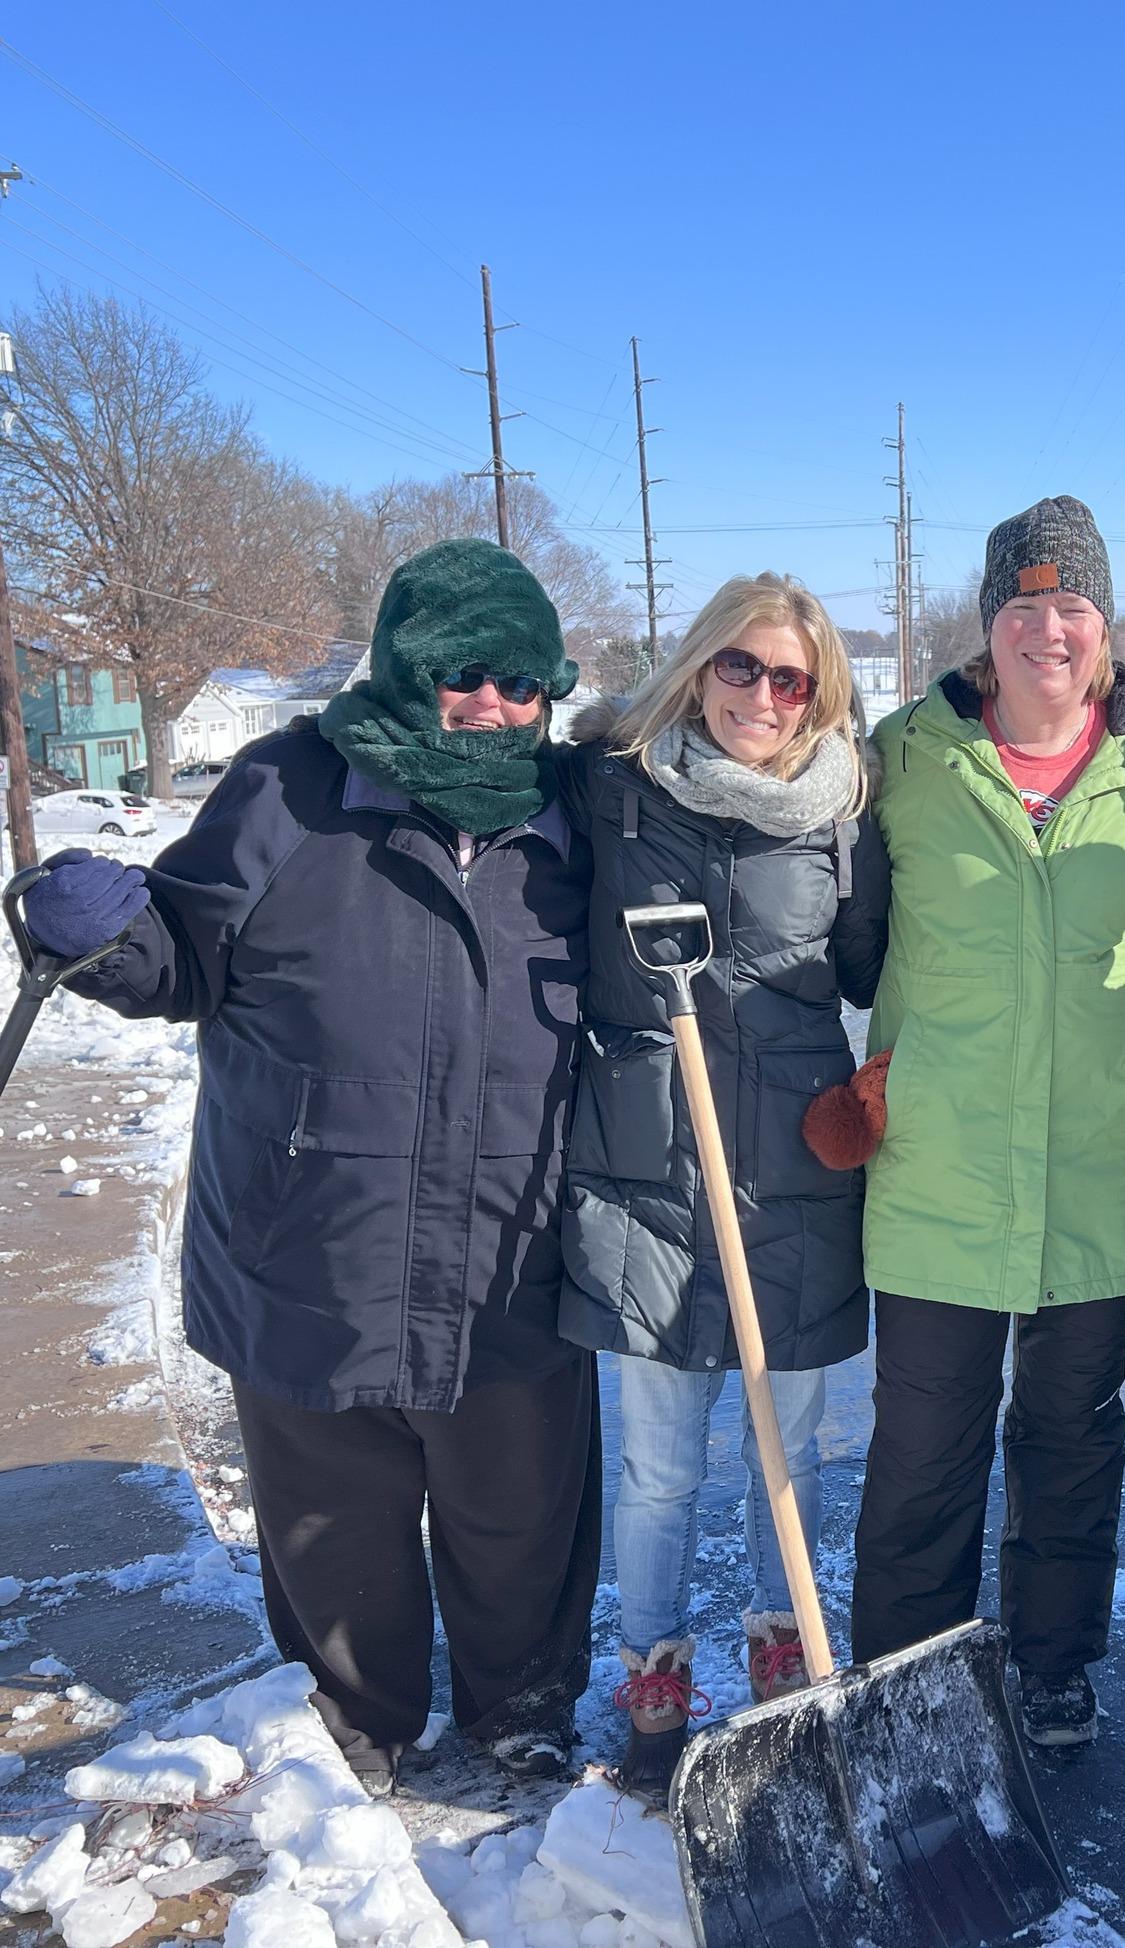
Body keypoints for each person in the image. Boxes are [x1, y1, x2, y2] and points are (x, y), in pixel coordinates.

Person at [29, 540, 600, 1794]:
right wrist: (104, 934)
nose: (492, 703)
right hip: (308, 1244)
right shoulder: (293, 787)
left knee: (518, 1514)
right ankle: (355, 1720)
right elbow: (184, 953)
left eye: (520, 680)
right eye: (463, 672)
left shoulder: (572, 814)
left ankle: (522, 1706)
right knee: (336, 1530)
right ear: (403, 666)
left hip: (513, 1245)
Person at [848, 495, 1125, 1746]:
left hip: (1094, 1166)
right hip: (938, 1165)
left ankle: (1051, 1663)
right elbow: (830, 922)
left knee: (1070, 1437)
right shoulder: (901, 759)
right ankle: (907, 1678)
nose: (1049, 630)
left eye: (1074, 605)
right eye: (1024, 607)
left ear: (1105, 626)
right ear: (987, 624)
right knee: (924, 1445)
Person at [557, 574, 888, 1798]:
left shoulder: (843, 816)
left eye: (789, 677)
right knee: (658, 1462)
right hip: (645, 1165)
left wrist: (886, 1078)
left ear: (820, 694)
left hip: (791, 1172)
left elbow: (877, 970)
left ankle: (780, 1646)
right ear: (699, 666)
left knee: (783, 1450)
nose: (760, 694)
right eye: (738, 666)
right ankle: (652, 1673)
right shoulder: (611, 790)